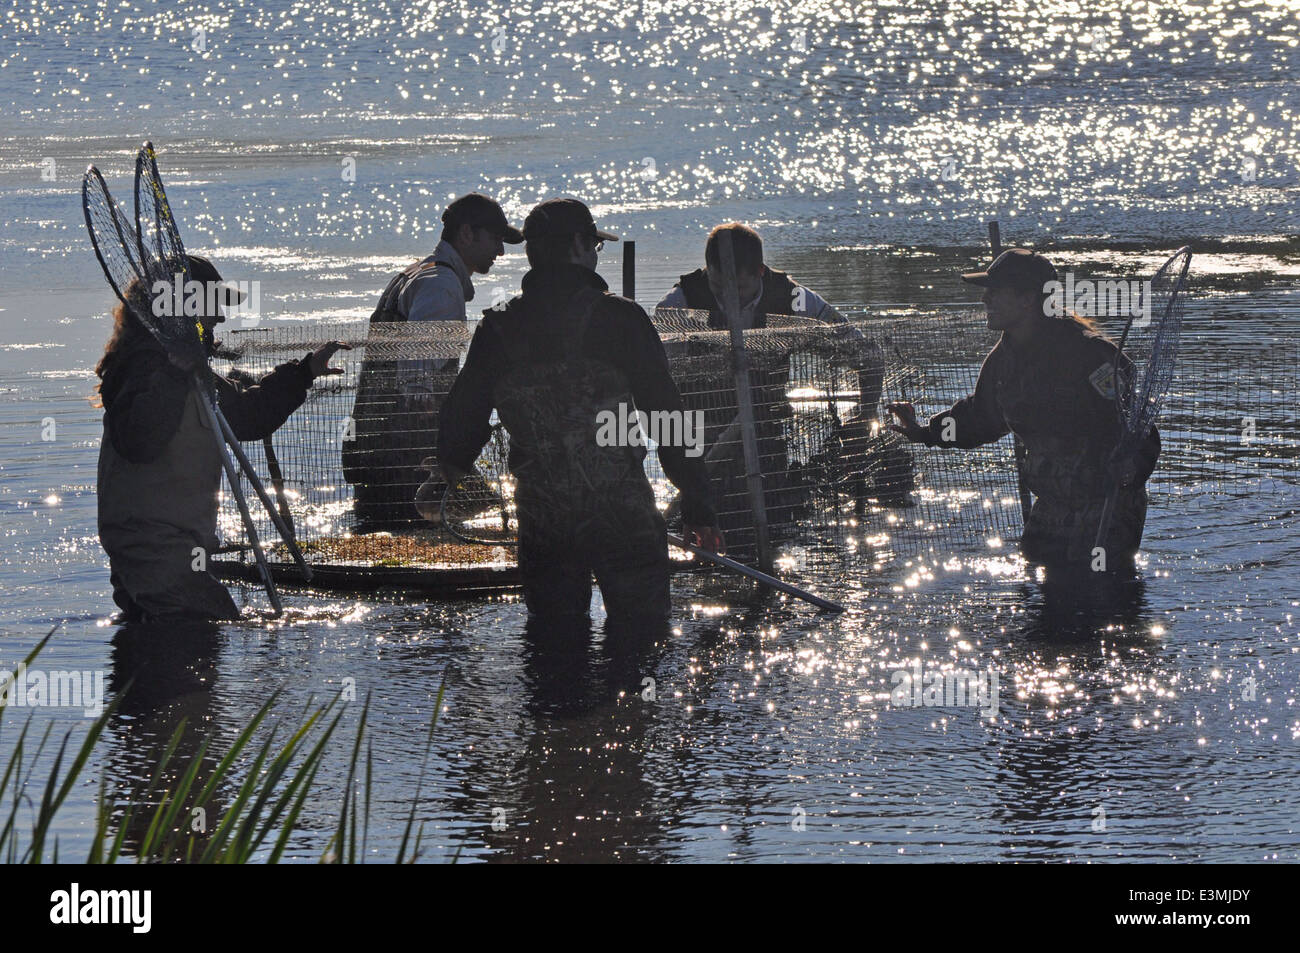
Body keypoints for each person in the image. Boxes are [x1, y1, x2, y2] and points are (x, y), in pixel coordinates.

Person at [435, 198, 723, 624]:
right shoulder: (621, 320)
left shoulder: (497, 328)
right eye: (593, 245)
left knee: (554, 653)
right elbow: (668, 419)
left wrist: (456, 468)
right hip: (623, 518)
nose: (594, 255)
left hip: (544, 522)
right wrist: (699, 503)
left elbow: (458, 433)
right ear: (576, 244)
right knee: (642, 643)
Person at [95, 255, 348, 623]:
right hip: (154, 557)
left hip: (176, 556)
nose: (220, 318)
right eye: (213, 306)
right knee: (201, 637)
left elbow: (248, 417)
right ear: (183, 309)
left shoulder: (190, 373)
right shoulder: (141, 370)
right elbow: (140, 439)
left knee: (191, 647)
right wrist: (174, 370)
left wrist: (304, 372)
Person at [886, 248, 1160, 575]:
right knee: (1039, 567)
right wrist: (925, 432)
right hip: (1054, 503)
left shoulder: (1089, 355)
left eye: (995, 291)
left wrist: (1133, 467)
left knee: (1096, 594)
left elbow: (1138, 424)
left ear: (1027, 300)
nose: (985, 298)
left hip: (1105, 507)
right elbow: (981, 418)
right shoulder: (1004, 360)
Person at [656, 223, 911, 558]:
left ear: (760, 272)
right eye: (718, 287)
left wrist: (863, 419)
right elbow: (659, 387)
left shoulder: (794, 299)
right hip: (705, 437)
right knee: (710, 520)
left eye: (740, 287)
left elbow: (866, 354)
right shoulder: (678, 304)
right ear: (708, 272)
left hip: (767, 430)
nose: (729, 298)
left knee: (771, 527)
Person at [343, 193, 523, 529]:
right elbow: (417, 374)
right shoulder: (440, 285)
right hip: (406, 452)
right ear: (467, 233)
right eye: (496, 240)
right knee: (424, 529)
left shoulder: (416, 273)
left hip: (375, 446)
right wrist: (444, 448)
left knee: (386, 534)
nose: (500, 252)